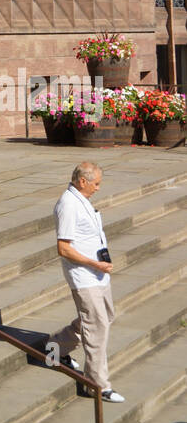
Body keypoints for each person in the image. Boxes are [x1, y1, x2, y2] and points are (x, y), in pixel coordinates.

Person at [47, 162, 124, 402]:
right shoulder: (68, 205)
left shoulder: (81, 200)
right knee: (97, 325)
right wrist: (94, 264)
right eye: (96, 183)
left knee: (103, 317)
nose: (98, 188)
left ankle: (55, 345)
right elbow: (63, 248)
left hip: (98, 272)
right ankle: (97, 384)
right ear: (83, 181)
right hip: (84, 275)